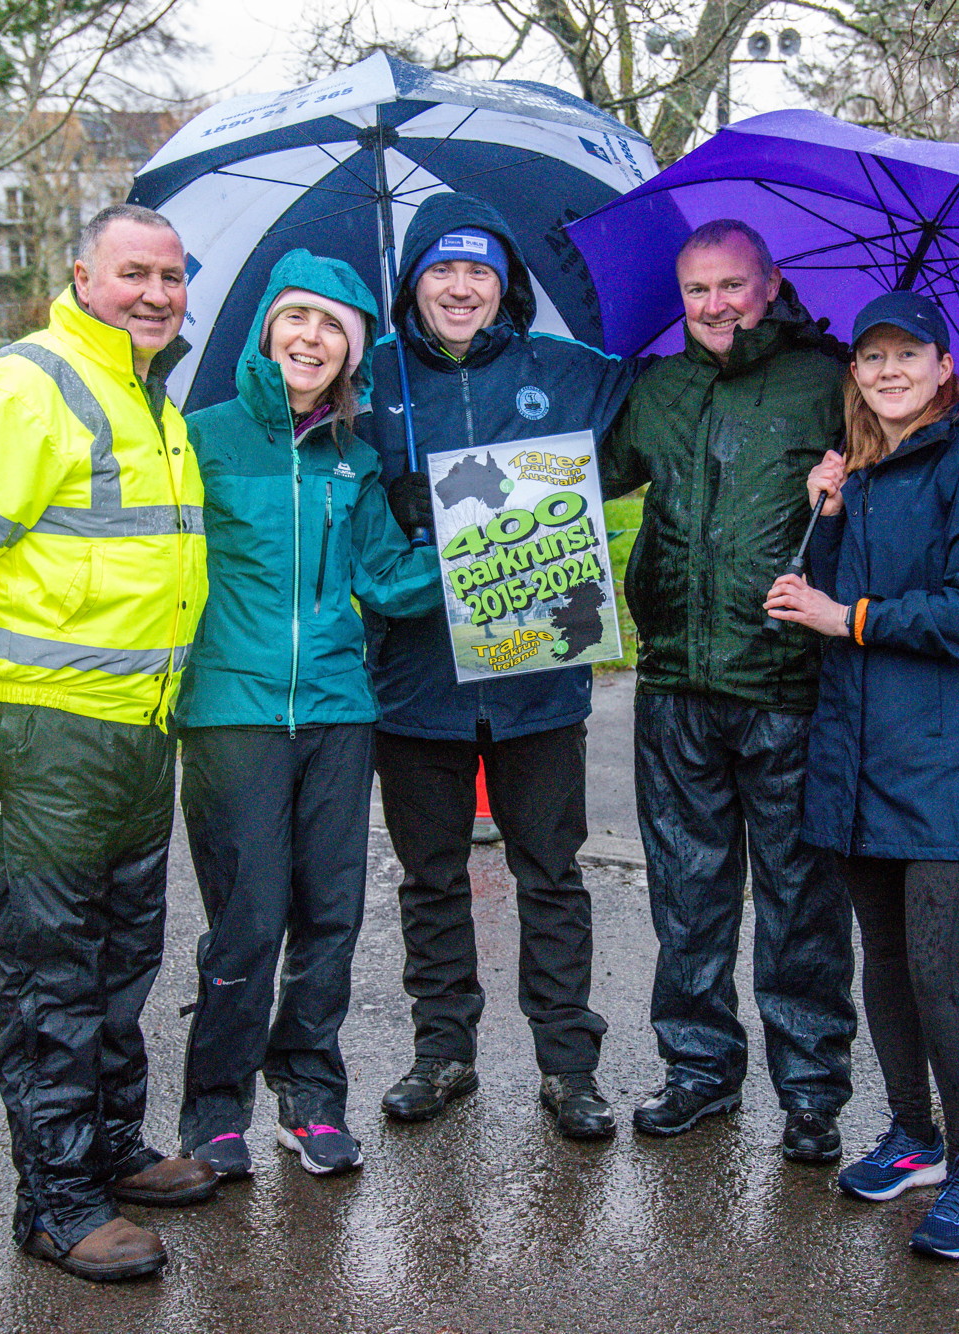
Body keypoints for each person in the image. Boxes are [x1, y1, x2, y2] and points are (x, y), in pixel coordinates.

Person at [599, 220, 959, 1162]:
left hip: (794, 686)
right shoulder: (658, 391)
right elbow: (572, 476)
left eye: (732, 285)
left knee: (802, 903)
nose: (715, 305)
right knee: (687, 891)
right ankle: (699, 1069)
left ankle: (810, 1090)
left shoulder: (828, 376)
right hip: (676, 679)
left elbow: (926, 442)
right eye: (696, 291)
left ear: (769, 285)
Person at [0, 203, 216, 1283]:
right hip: (42, 737)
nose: (156, 293)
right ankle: (57, 1201)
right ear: (82, 274)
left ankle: (112, 1148)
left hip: (135, 731)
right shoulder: (25, 385)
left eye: (171, 276)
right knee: (51, 979)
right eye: (134, 272)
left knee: (120, 961)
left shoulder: (149, 398)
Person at [364, 192, 640, 1139]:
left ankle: (569, 1064)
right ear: (411, 283)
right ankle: (443, 1052)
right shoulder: (373, 380)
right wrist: (388, 491)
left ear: (506, 285)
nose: (460, 285)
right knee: (431, 876)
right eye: (441, 267)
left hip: (537, 685)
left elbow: (674, 409)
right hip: (416, 686)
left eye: (479, 269)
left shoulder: (568, 373)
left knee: (551, 873)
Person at [764, 290, 959, 1261]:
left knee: (934, 967)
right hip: (858, 756)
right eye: (869, 357)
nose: (884, 371)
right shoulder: (861, 476)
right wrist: (821, 514)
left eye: (903, 354)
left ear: (941, 364)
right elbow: (825, 593)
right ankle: (912, 1136)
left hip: (950, 762)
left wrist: (848, 619)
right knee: (880, 959)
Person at [175, 251, 442, 1182]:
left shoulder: (356, 459)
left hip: (338, 709)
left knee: (331, 915)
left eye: (334, 327)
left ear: (353, 354)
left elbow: (384, 582)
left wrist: (459, 549)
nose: (312, 339)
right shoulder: (200, 439)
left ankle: (312, 1098)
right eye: (297, 319)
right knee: (248, 921)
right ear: (266, 331)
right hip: (230, 713)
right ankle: (214, 1112)